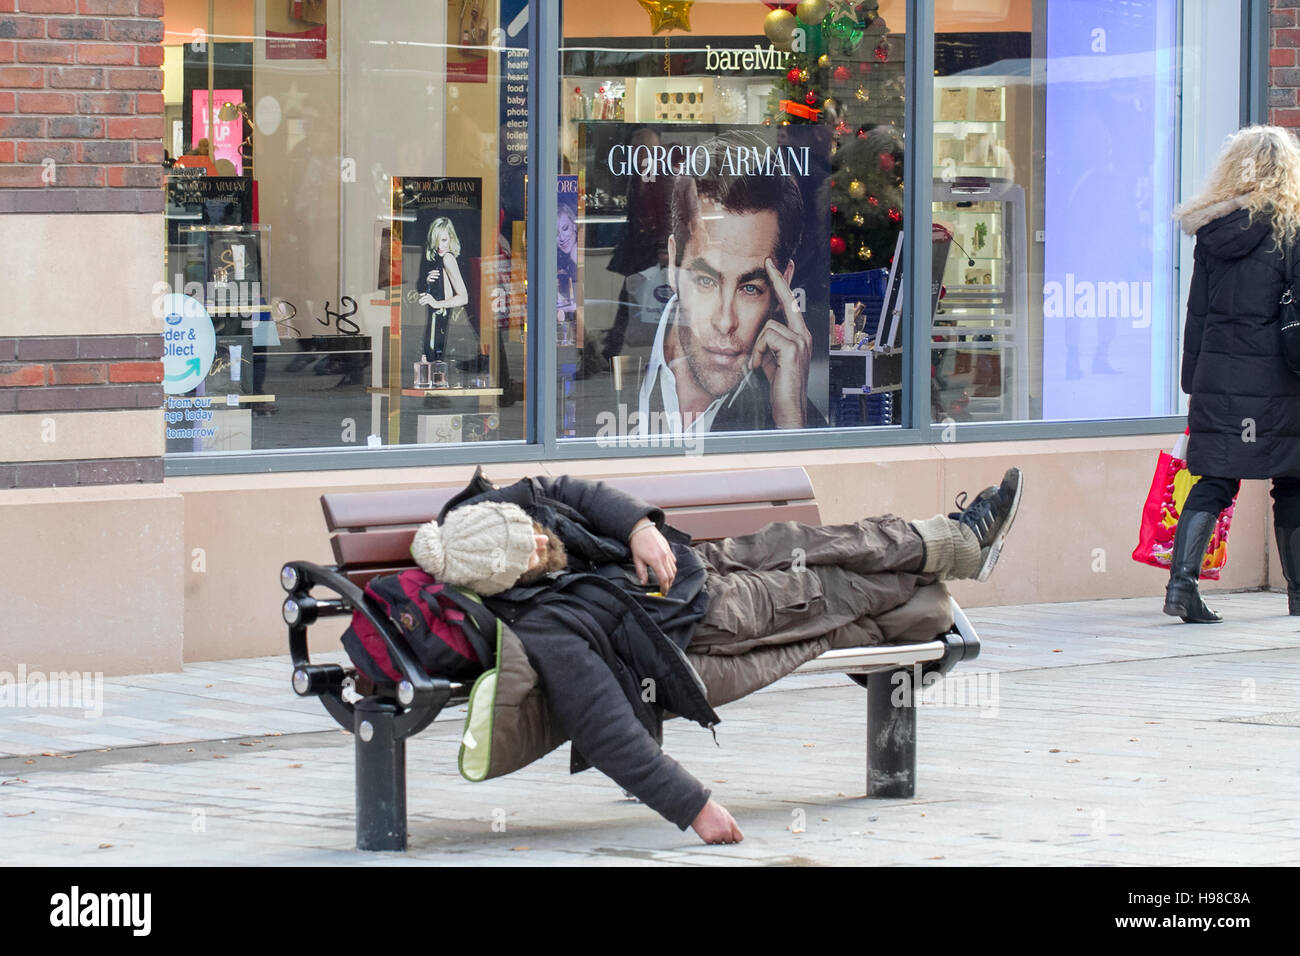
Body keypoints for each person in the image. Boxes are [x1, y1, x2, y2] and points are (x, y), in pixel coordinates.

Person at [410, 465, 1024, 844]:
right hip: (706, 622)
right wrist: (693, 806)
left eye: (536, 528)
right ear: (510, 579)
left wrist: (637, 529)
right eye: (536, 550)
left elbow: (564, 489)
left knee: (807, 541)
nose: (547, 539)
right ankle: (931, 590)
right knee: (831, 589)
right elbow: (603, 726)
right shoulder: (543, 623)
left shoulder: (489, 515)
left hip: (690, 561)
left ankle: (954, 542)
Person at [1169, 124, 1300, 622]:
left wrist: (1192, 382)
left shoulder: (1213, 231)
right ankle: (1298, 594)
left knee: (1216, 480)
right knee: (1292, 481)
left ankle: (1181, 586)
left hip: (1219, 378)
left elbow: (1196, 312)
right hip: (1282, 383)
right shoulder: (1293, 227)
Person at [627, 130, 827, 438]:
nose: (725, 321)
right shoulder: (618, 364)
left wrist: (790, 422)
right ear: (673, 264)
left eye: (750, 289)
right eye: (706, 281)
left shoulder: (789, 409)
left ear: (781, 288)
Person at [418, 217, 473, 375]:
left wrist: (437, 303)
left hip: (439, 323)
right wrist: (427, 281)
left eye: (443, 240)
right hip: (435, 323)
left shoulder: (448, 258)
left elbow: (463, 297)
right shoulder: (440, 258)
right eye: (436, 240)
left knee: (433, 371)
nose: (439, 245)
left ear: (451, 238)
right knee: (432, 373)